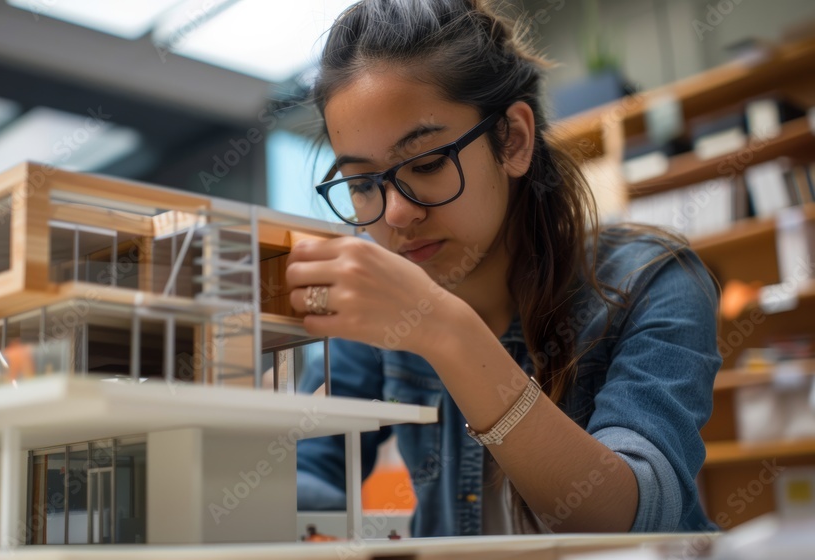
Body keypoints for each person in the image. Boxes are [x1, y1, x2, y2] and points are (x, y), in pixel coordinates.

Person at [286, 0, 721, 537]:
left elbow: (631, 519)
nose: (396, 213)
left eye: (426, 164)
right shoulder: (379, 312)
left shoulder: (650, 281)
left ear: (512, 139)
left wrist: (446, 332)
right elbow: (308, 470)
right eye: (362, 184)